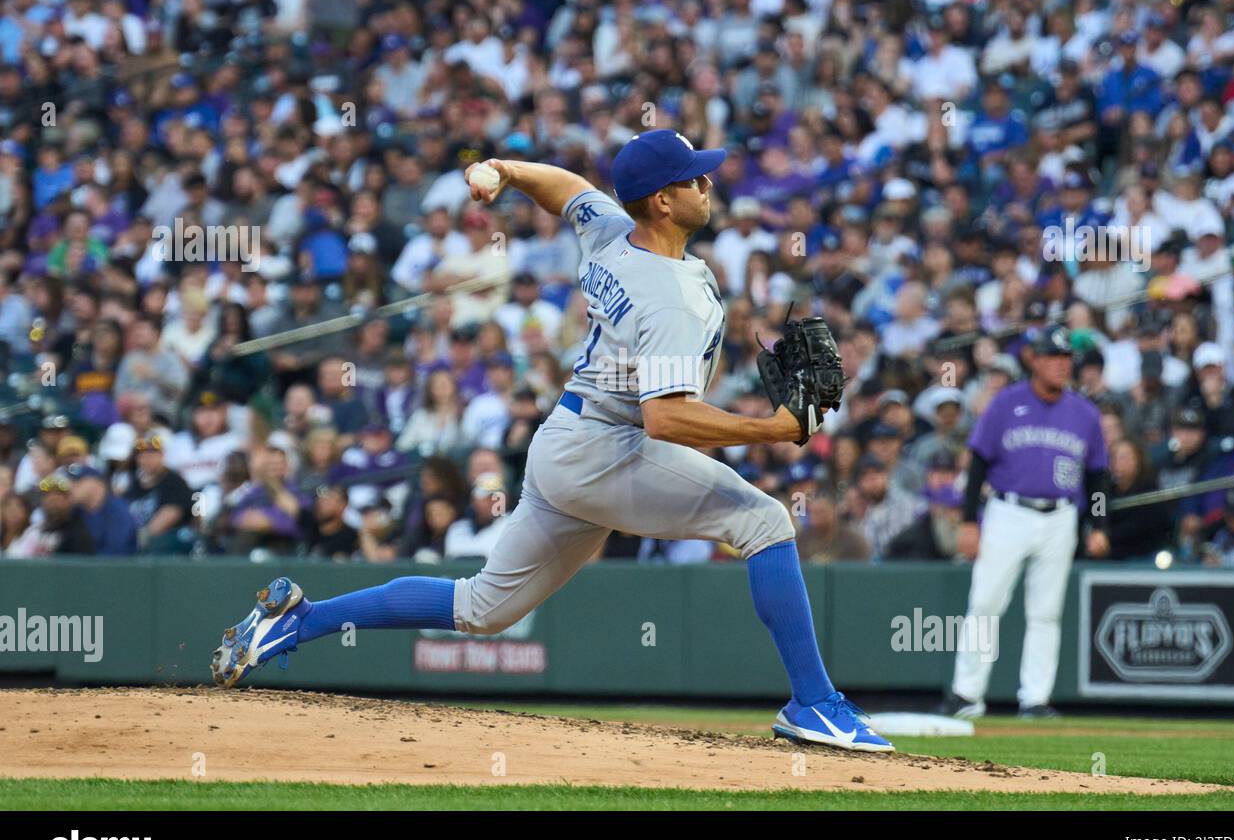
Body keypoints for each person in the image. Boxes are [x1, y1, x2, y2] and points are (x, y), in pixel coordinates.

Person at [210, 131, 893, 753]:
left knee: (481, 608)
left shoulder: (615, 232)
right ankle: (815, 704)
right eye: (696, 179)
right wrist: (770, 430)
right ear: (663, 200)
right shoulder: (669, 296)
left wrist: (503, 168)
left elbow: (566, 189)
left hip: (570, 443)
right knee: (765, 520)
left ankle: (298, 621)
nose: (708, 186)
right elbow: (665, 419)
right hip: (607, 446)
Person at [939, 327, 1109, 719]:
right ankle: (967, 694)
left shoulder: (1085, 413)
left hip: (1061, 516)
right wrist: (968, 520)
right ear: (1035, 360)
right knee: (985, 601)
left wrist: (1099, 525)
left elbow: (1098, 475)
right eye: (1053, 357)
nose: (1061, 365)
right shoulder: (1006, 402)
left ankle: (1035, 699)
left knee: (1046, 611)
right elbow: (978, 461)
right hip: (1008, 511)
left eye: (1066, 360)